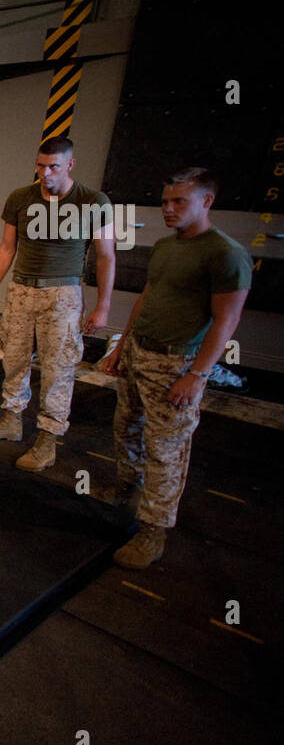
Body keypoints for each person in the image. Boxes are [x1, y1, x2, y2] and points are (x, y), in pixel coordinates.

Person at [99, 168, 251, 569]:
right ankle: (126, 493)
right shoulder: (166, 246)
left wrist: (197, 375)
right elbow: (148, 297)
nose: (167, 208)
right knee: (126, 429)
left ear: (206, 201)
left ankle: (153, 532)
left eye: (178, 201)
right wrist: (121, 345)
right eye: (165, 201)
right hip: (138, 353)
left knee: (166, 451)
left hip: (177, 363)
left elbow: (226, 322)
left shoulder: (226, 254)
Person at [0, 136, 116, 471]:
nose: (45, 173)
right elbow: (8, 248)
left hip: (62, 294)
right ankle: (11, 421)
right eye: (40, 166)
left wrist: (103, 305)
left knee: (58, 368)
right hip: (22, 289)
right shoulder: (20, 198)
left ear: (70, 164)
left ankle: (47, 440)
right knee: (14, 358)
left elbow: (106, 255)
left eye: (53, 166)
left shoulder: (95, 201)